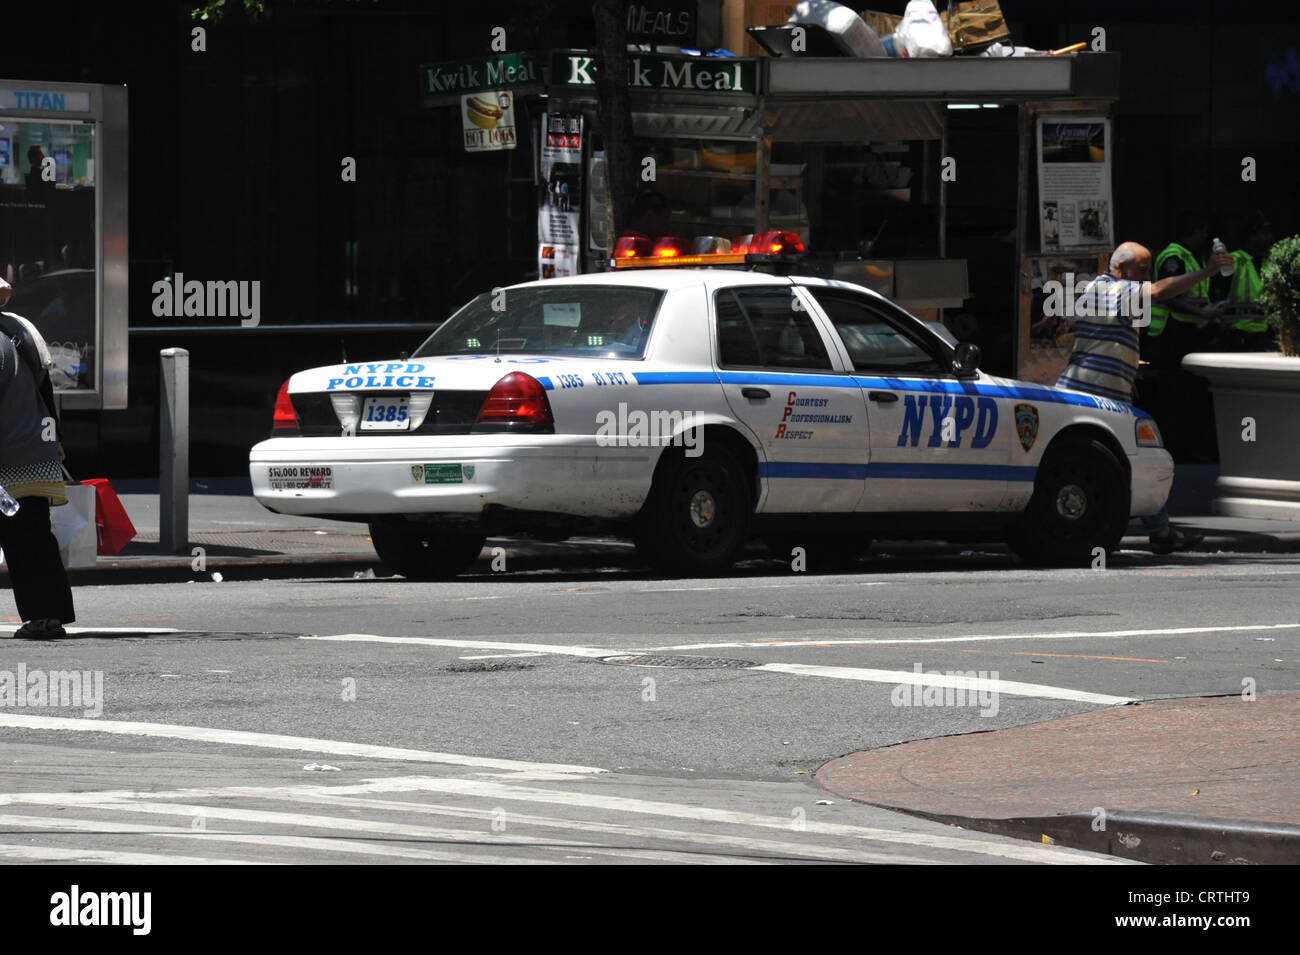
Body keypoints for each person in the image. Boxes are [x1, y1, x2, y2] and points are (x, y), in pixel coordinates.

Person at [1059, 240, 1232, 554]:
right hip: (1095, 395)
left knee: (1135, 459)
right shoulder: (1114, 291)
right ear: (1122, 268)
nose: (1146, 277)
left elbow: (1106, 338)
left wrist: (1128, 377)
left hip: (1102, 392)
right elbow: (1159, 291)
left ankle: (1155, 529)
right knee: (1142, 459)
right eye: (1142, 271)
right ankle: (1156, 530)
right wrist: (1207, 271)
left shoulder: (1098, 289)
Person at [0, 302, 76, 639]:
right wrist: (55, 435)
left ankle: (44, 617)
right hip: (36, 445)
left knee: (23, 538)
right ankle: (49, 616)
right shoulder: (20, 328)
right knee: (34, 537)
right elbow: (45, 387)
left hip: (8, 453)